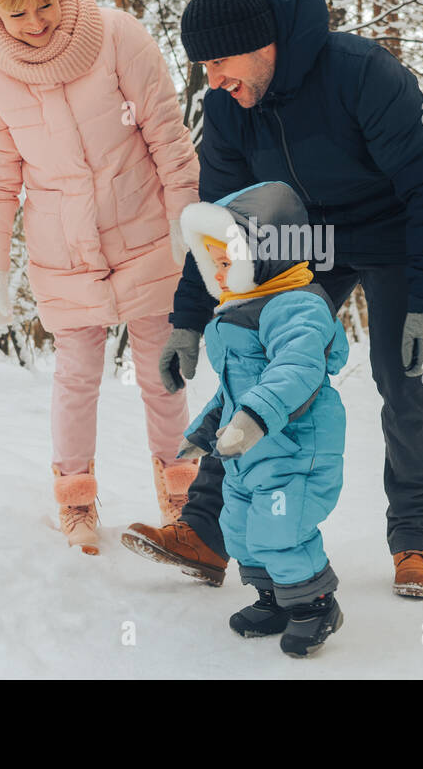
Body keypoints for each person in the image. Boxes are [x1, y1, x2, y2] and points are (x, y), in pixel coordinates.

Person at [121, 0, 423, 597]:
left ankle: (415, 537)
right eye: (203, 67)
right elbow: (219, 217)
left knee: (406, 377)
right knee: (251, 358)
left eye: (220, 61)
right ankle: (206, 531)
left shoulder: (362, 73)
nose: (213, 78)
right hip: (301, 242)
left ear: (262, 42)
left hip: (393, 233)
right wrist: (190, 319)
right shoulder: (228, 106)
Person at [0, 0, 201, 554]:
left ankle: (182, 502)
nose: (34, 22)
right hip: (62, 250)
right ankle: (77, 505)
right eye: (16, 12)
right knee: (76, 378)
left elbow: (167, 135)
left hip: (146, 233)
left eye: (43, 3)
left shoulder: (116, 34)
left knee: (162, 371)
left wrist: (184, 219)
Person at [165, 180, 349, 656]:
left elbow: (297, 369)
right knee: (240, 525)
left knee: (280, 527)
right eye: (215, 263)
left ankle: (314, 604)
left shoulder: (296, 305)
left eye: (230, 261)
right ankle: (273, 599)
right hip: (246, 451)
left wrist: (252, 419)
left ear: (266, 254)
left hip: (294, 445)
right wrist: (206, 432)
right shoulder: (234, 313)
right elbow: (231, 391)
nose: (222, 274)